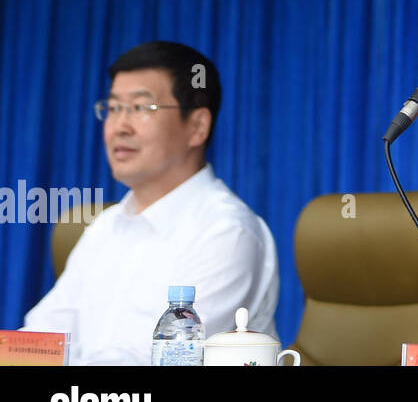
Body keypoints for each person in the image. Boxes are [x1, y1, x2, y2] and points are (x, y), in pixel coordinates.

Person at [23, 41, 279, 365]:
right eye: (114, 108)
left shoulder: (226, 232)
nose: (120, 126)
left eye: (142, 108)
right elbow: (43, 338)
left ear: (198, 127)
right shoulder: (105, 225)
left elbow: (159, 361)